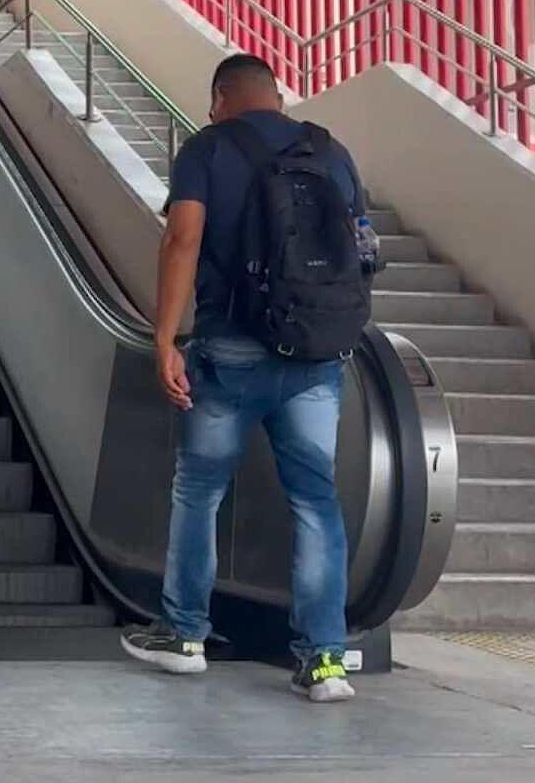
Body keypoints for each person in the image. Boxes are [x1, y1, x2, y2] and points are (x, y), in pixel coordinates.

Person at [120, 53, 372, 704]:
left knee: (199, 490)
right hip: (316, 360)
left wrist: (166, 338)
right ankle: (324, 660)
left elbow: (183, 240)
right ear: (278, 96)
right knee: (315, 500)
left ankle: (185, 635)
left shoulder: (207, 148)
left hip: (230, 352)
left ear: (220, 99)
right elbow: (364, 248)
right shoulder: (332, 152)